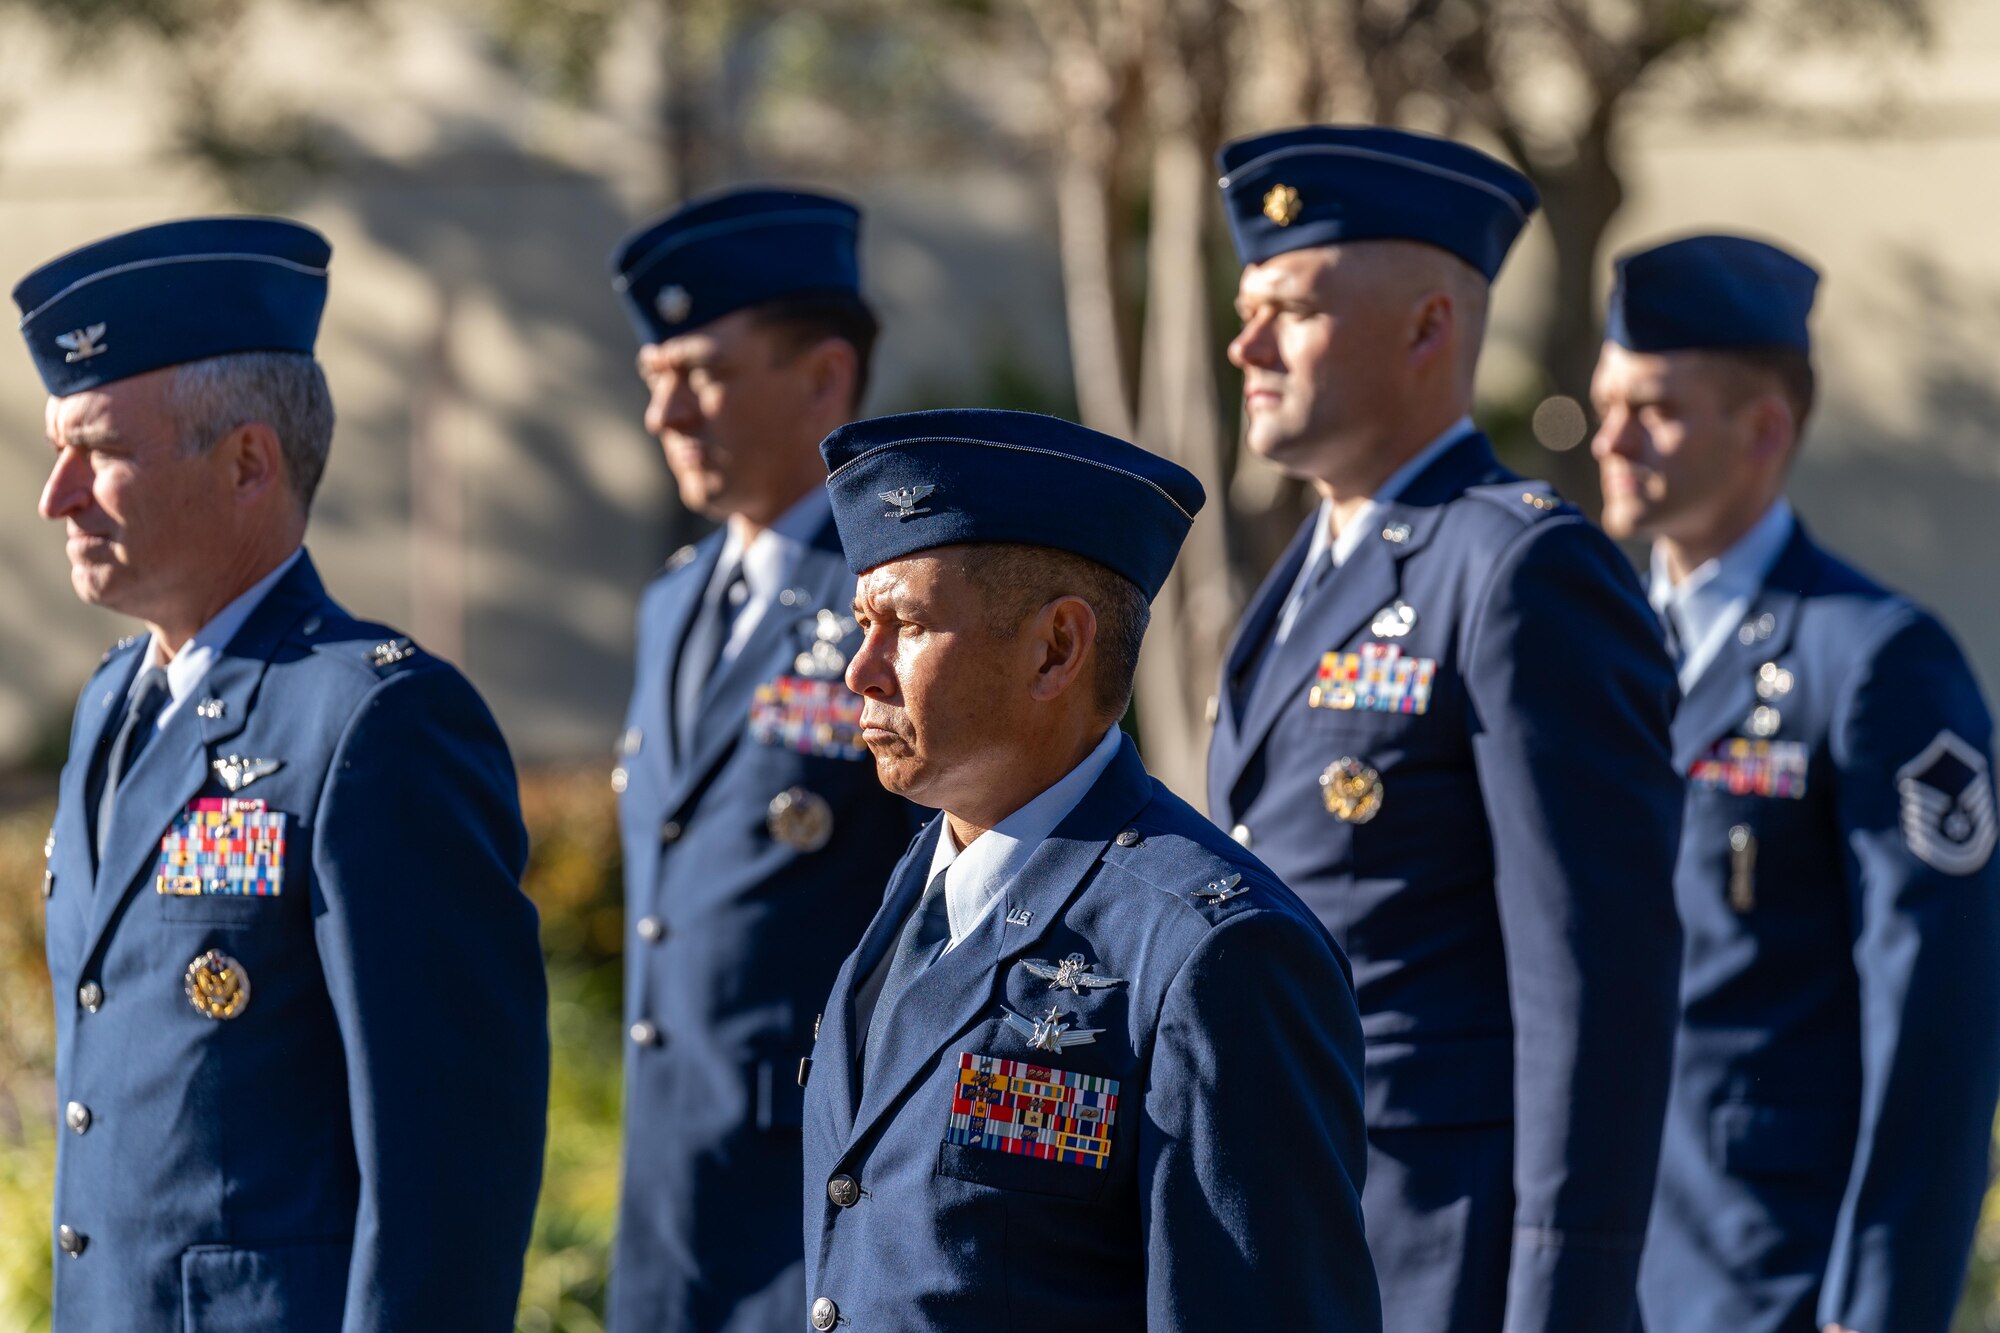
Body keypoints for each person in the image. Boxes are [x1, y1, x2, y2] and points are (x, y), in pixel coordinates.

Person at [16, 216, 548, 1330]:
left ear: (248, 459)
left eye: (100, 452)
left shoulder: (378, 719)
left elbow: (448, 1165)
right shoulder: (115, 701)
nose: (55, 496)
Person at [1205, 125, 1685, 1333]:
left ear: (1427, 328)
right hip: (1291, 1235)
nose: (1243, 345)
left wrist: (1559, 1298)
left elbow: (1593, 986)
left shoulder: (1517, 568)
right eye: (1245, 308)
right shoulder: (1302, 575)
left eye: (1291, 312)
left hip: (1442, 1256)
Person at [797, 407, 1379, 1332]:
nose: (860, 670)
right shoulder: (923, 879)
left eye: (905, 624)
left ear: (1056, 648)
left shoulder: (1214, 951)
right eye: (863, 623)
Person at [1591, 233, 2000, 1333]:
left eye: (1652, 410)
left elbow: (1931, 1031)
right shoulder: (1595, 649)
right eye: (1604, 402)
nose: (1608, 437)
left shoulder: (1873, 662)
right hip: (1596, 1266)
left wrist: (1876, 1306)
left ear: (1762, 428)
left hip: (1769, 1275)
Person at [604, 187, 920, 1333]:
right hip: (668, 1212)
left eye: (698, 373)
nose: (664, 414)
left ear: (823, 379)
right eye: (652, 380)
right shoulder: (676, 599)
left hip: (818, 1207)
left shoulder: (899, 604)